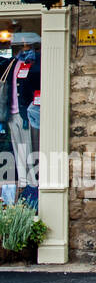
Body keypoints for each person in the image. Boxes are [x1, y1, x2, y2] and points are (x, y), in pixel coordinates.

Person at [2, 34, 40, 207]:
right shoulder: (11, 63)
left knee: (28, 150)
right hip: (11, 113)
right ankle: (23, 184)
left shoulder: (35, 62)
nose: (23, 46)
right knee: (18, 150)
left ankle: (32, 185)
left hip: (25, 113)